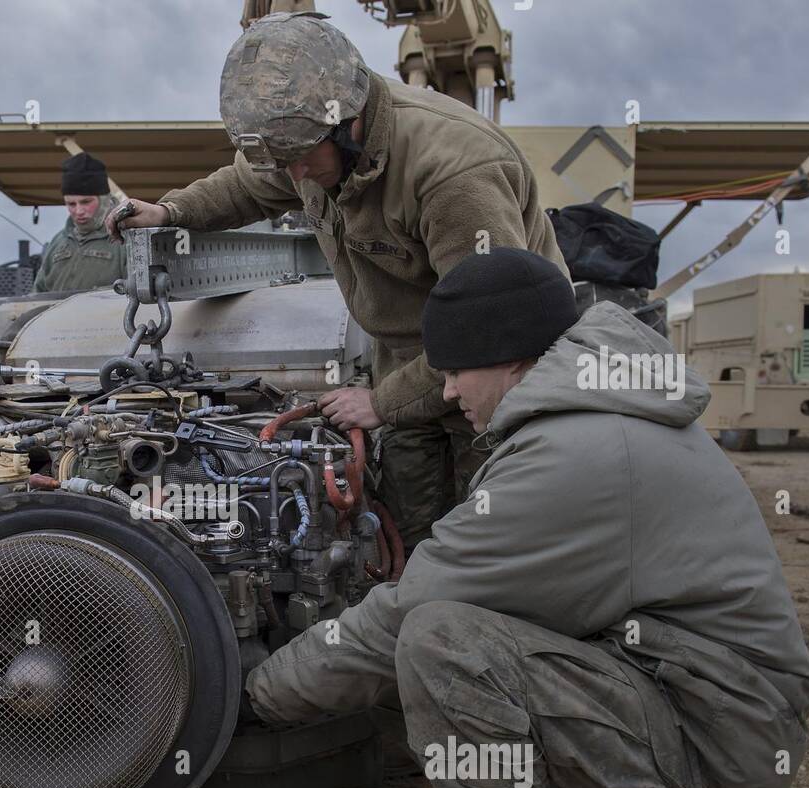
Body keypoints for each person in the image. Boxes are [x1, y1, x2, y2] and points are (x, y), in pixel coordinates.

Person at [246, 247, 809, 788]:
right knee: (479, 617)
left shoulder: (577, 454)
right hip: (716, 709)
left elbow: (403, 615)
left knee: (441, 639)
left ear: (510, 359)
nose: (447, 391)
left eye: (455, 370)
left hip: (719, 738)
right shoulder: (600, 418)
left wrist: (256, 695)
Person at [107, 10, 566, 551]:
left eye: (300, 160)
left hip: (495, 379)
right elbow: (247, 185)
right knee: (412, 542)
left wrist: (382, 402)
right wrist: (169, 212)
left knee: (493, 544)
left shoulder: (452, 173)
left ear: (349, 123)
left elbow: (494, 327)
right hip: (407, 363)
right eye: (284, 162)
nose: (294, 176)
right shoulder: (307, 146)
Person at [32, 153, 126, 292]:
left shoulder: (125, 240)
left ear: (104, 199)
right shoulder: (58, 243)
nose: (79, 210)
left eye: (86, 202)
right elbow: (38, 293)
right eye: (71, 204)